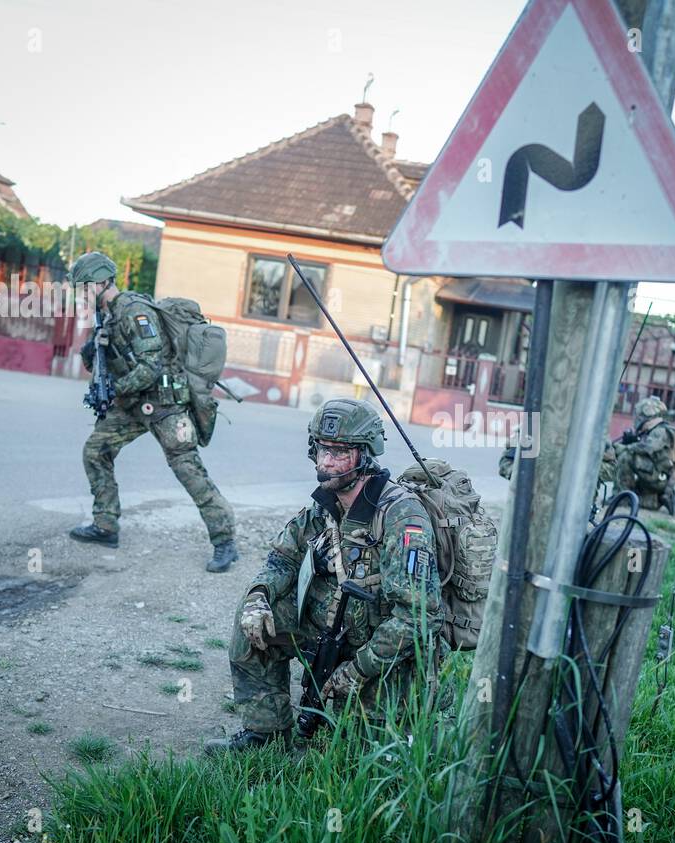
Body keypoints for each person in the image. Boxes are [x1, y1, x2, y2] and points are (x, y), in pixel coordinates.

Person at [207, 399, 445, 752]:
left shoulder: (402, 517)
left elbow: (417, 615)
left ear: (365, 455)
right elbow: (282, 559)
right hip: (328, 628)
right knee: (253, 618)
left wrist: (357, 670)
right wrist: (258, 597)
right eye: (322, 450)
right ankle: (266, 734)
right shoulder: (326, 505)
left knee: (370, 758)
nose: (327, 462)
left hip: (383, 649)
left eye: (340, 452)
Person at [67, 252, 237, 572]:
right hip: (133, 404)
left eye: (86, 287)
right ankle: (105, 524)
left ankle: (224, 540)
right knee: (96, 450)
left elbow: (151, 366)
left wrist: (116, 390)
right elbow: (105, 362)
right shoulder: (108, 316)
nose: (83, 294)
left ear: (103, 282)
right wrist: (94, 351)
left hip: (165, 404)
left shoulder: (135, 312)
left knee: (187, 468)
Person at [614, 396, 675, 515]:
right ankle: (656, 499)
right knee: (644, 502)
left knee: (626, 456)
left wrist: (625, 447)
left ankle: (623, 497)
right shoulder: (656, 430)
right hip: (659, 476)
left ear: (649, 417)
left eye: (640, 416)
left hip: (660, 477)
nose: (638, 419)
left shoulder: (660, 431)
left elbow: (648, 448)